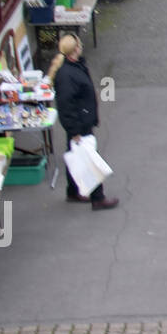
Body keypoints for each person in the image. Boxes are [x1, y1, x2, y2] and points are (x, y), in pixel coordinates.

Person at [48, 34, 118, 210]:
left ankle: (72, 191)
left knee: (75, 154)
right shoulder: (67, 74)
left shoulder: (71, 67)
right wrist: (75, 130)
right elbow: (65, 105)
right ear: (75, 49)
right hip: (79, 123)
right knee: (89, 159)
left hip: (80, 121)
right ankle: (98, 198)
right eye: (79, 45)